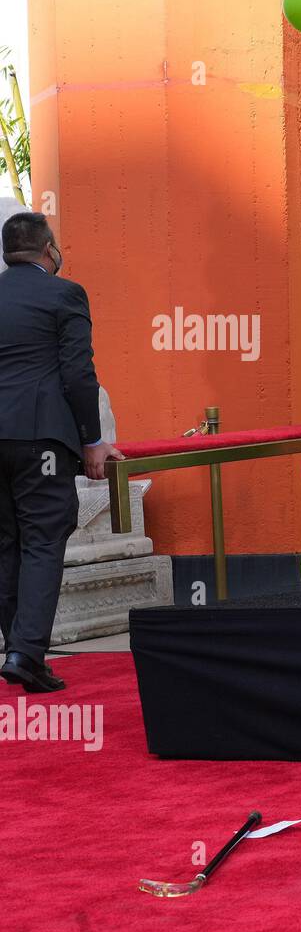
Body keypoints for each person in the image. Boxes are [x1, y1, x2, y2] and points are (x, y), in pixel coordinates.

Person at [0, 211, 122, 692]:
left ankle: (17, 647)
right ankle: (26, 654)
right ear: (49, 248)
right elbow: (77, 375)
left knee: (5, 544)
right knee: (43, 540)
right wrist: (93, 441)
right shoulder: (65, 293)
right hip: (41, 440)